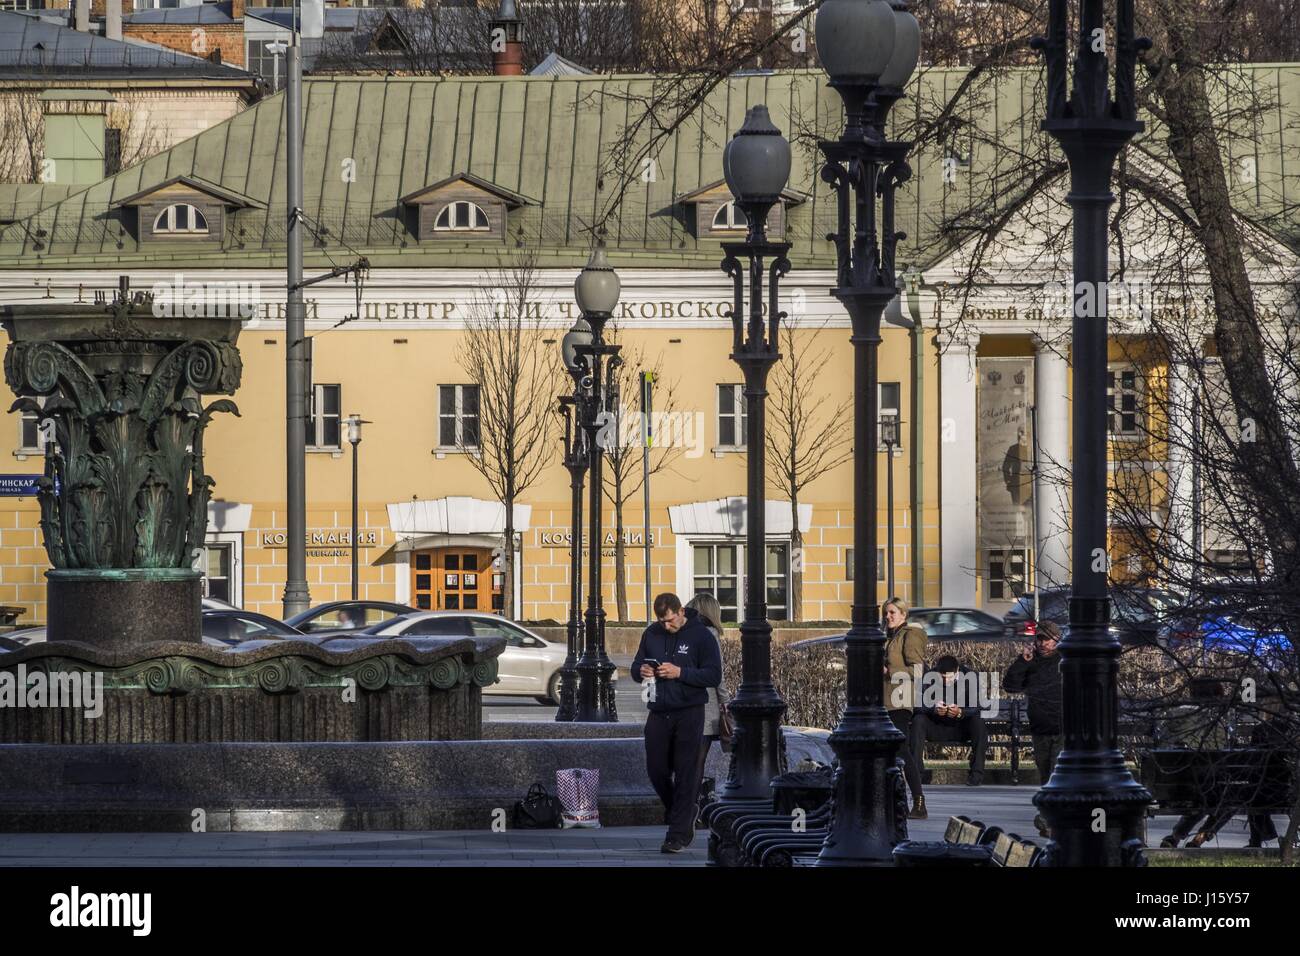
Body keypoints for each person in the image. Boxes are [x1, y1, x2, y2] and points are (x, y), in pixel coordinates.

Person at [630, 591, 722, 853]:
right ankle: (683, 810)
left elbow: (713, 675)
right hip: (659, 709)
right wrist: (642, 671)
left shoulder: (702, 635)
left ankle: (678, 834)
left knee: (686, 771)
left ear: (681, 612)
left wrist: (680, 672)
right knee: (656, 768)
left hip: (690, 711)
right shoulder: (652, 633)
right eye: (661, 621)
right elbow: (636, 666)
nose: (666, 626)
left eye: (670, 620)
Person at [1003, 620, 1063, 837]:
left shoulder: (1064, 660)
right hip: (1040, 728)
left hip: (1062, 728)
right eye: (1039, 638)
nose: (1042, 643)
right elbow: (1010, 686)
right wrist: (1022, 662)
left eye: (1046, 639)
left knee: (1056, 774)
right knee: (1046, 774)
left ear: (1056, 639)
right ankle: (1051, 820)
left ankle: (1050, 819)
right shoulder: (1031, 661)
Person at [911, 655, 989, 787]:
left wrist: (961, 712)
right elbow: (917, 705)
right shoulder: (928, 677)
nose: (946, 680)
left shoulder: (971, 676)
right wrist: (933, 709)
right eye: (942, 677)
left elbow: (979, 705)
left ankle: (976, 775)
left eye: (950, 677)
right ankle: (917, 774)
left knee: (979, 722)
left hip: (961, 727)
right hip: (936, 726)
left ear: (957, 671)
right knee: (918, 721)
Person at [884, 596, 929, 819]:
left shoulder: (910, 635)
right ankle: (893, 799)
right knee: (885, 751)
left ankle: (919, 801)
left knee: (901, 750)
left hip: (900, 701)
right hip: (883, 701)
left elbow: (919, 671)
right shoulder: (888, 636)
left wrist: (889, 672)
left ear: (903, 614)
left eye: (892, 612)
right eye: (886, 613)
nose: (888, 616)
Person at [685, 592, 729, 816]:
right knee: (696, 762)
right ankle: (688, 809)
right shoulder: (709, 634)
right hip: (704, 707)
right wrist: (726, 702)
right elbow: (717, 675)